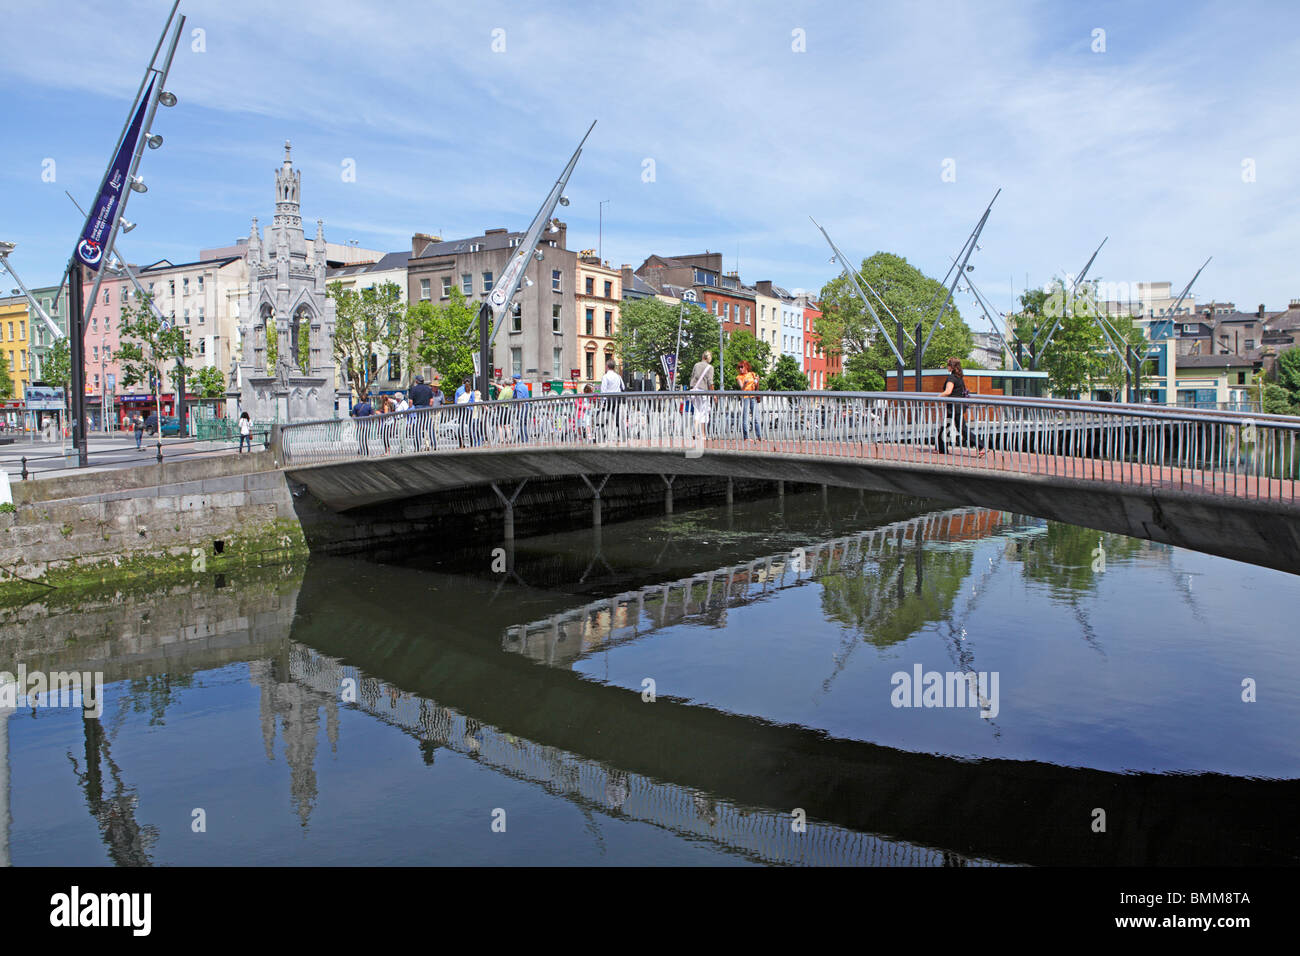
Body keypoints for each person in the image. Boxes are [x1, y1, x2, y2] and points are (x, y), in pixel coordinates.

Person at [936, 357, 985, 458]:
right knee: (946, 427)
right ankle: (942, 449)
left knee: (960, 428)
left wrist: (937, 397)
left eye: (948, 365)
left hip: (953, 406)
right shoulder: (959, 378)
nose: (947, 367)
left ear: (952, 367)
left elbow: (948, 391)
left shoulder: (951, 378)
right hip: (957, 406)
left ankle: (981, 445)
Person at [598, 358, 624, 441]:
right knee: (616, 417)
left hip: (608, 399)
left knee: (604, 417)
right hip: (617, 398)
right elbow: (623, 387)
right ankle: (619, 435)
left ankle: (603, 435)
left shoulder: (605, 377)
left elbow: (603, 390)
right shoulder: (618, 376)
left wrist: (602, 402)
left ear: (607, 366)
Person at [737, 359, 762, 440]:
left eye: (742, 367)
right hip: (745, 397)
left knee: (756, 418)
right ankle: (746, 437)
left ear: (746, 367)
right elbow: (742, 388)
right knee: (745, 417)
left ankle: (759, 436)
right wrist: (744, 383)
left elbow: (756, 385)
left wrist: (757, 381)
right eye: (739, 367)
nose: (740, 369)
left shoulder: (752, 374)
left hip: (753, 396)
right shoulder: (739, 377)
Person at [408, 375, 434, 450]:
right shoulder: (428, 389)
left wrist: (410, 408)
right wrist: (429, 406)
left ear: (416, 381)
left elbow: (410, 401)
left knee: (418, 428)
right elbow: (431, 401)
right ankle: (434, 444)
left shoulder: (414, 389)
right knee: (429, 427)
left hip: (418, 408)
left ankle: (417, 446)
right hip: (427, 408)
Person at [351, 391, 374, 455]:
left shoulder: (356, 406)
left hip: (359, 425)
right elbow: (371, 416)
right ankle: (366, 450)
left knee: (360, 438)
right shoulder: (369, 406)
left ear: (360, 398)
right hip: (366, 425)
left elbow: (353, 416)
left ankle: (360, 449)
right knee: (365, 438)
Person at [511, 374, 530, 443]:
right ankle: (525, 438)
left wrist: (518, 408)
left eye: (512, 379)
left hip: (521, 406)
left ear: (515, 379)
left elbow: (519, 398)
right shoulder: (524, 386)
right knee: (524, 423)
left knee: (521, 423)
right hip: (526, 405)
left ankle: (524, 439)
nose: (512, 380)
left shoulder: (518, 387)